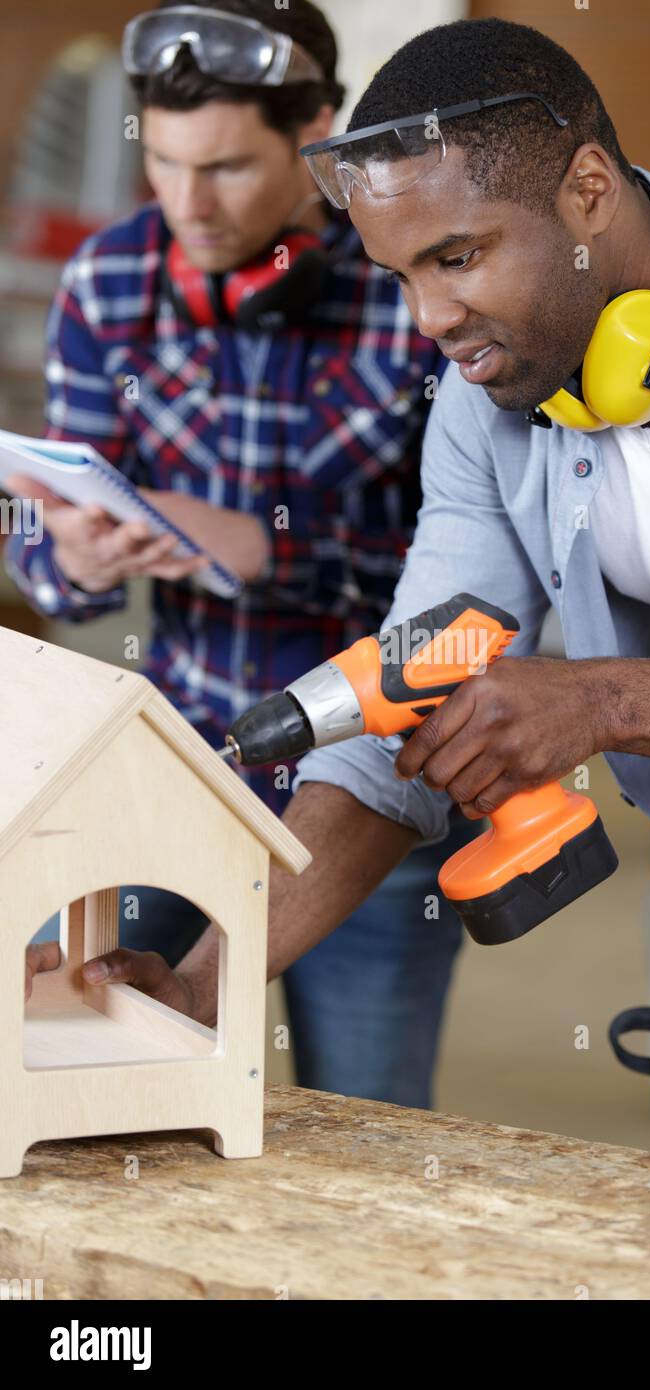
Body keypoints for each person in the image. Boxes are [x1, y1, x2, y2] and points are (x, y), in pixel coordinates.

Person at [30, 17, 650, 1185]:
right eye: (400, 276)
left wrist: (602, 699)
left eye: (458, 258)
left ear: (586, 191)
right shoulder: (488, 397)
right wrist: (201, 991)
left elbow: (608, 698)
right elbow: (406, 692)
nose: (426, 319)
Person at [11, 0, 476, 1111]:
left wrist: (269, 550)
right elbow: (42, 565)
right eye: (165, 164)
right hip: (175, 771)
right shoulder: (110, 281)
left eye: (223, 168)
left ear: (317, 134)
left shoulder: (413, 287)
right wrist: (72, 559)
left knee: (362, 1120)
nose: (187, 203)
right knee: (85, 1073)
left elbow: (478, 591)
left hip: (381, 787)